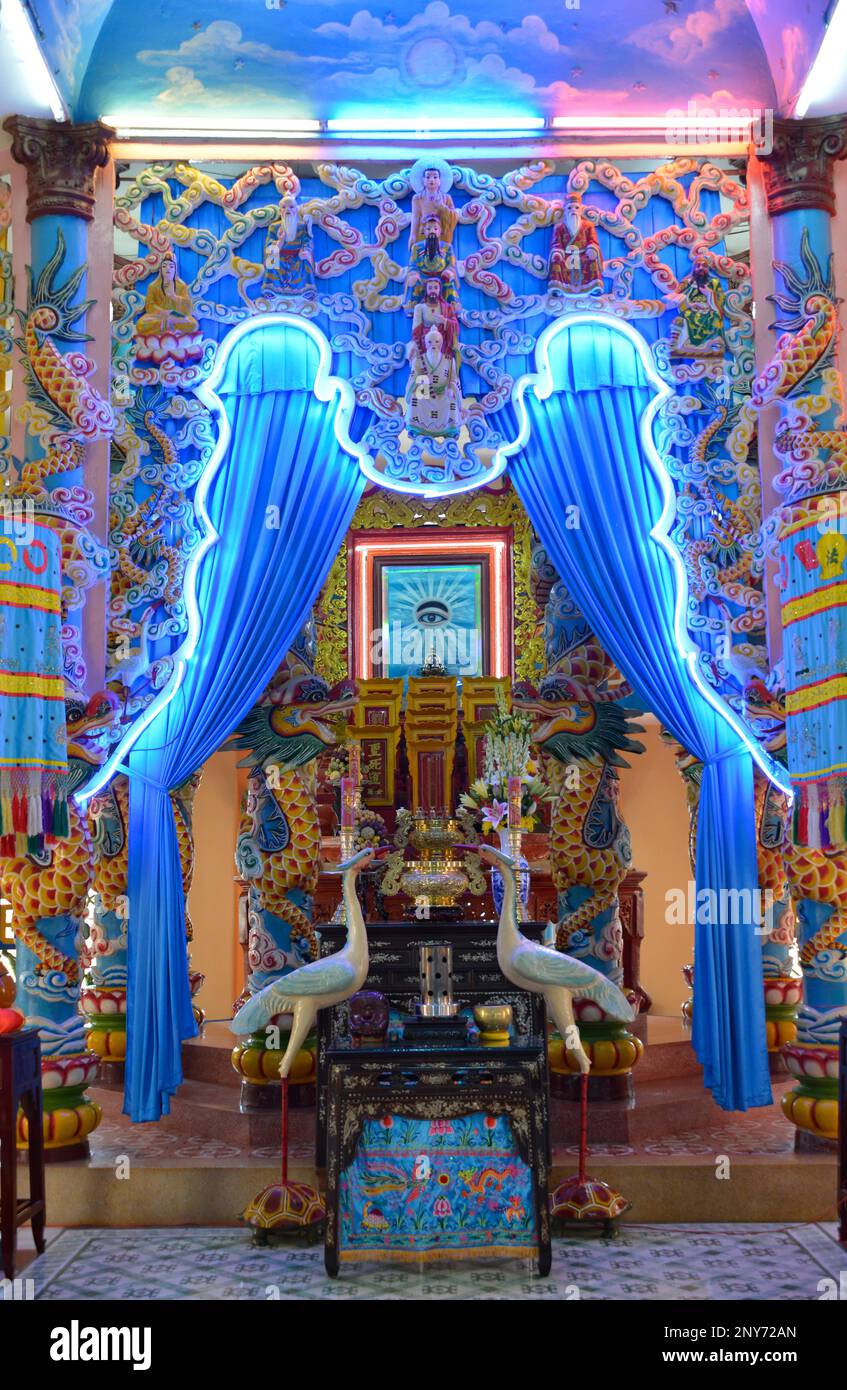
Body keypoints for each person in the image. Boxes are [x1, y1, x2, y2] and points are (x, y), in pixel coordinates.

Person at [134, 253, 202, 362]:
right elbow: (150, 306)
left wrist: (174, 297)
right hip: (159, 317)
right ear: (160, 269)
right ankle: (168, 326)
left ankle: (166, 327)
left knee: (193, 324)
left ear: (175, 269)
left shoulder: (181, 286)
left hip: (176, 317)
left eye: (171, 266)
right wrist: (164, 312)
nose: (168, 269)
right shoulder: (153, 286)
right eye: (164, 266)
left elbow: (187, 308)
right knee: (141, 325)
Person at [406, 323, 463, 439]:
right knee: (416, 399)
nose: (433, 345)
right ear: (426, 344)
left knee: (451, 401)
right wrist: (423, 380)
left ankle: (450, 430)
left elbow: (453, 379)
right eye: (430, 342)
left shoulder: (449, 360)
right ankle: (416, 428)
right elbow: (413, 377)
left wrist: (451, 388)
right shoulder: (418, 360)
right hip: (425, 391)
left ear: (441, 344)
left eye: (437, 342)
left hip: (443, 391)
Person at [668, 255, 726, 358]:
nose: (700, 268)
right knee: (679, 319)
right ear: (694, 268)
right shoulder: (688, 282)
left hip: (710, 309)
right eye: (698, 266)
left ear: (707, 269)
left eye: (704, 266)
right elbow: (675, 295)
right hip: (691, 310)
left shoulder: (714, 282)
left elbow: (720, 301)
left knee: (716, 319)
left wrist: (709, 294)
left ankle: (715, 347)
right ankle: (675, 347)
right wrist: (690, 302)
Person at [548, 191, 603, 294]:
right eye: (570, 208)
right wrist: (557, 252)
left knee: (592, 259)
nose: (573, 210)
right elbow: (556, 243)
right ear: (565, 210)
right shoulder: (559, 227)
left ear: (580, 210)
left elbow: (593, 240)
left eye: (576, 208)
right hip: (566, 255)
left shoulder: (588, 225)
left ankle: (593, 289)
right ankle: (559, 289)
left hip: (583, 254)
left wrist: (592, 249)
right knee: (557, 260)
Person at [263, 193, 315, 298]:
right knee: (272, 259)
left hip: (297, 257)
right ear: (280, 211)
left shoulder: (301, 226)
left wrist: (305, 250)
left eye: (291, 207)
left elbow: (307, 241)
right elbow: (269, 244)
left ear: (296, 210)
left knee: (305, 262)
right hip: (279, 255)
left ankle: (305, 290)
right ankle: (272, 290)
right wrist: (280, 241)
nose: (288, 210)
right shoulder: (274, 227)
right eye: (284, 207)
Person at [407, 214, 459, 310]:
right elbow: (412, 264)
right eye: (428, 229)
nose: (432, 231)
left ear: (440, 231)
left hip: (441, 276)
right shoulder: (416, 247)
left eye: (435, 229)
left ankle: (453, 308)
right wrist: (414, 274)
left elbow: (451, 264)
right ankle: (411, 308)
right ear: (423, 231)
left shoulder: (447, 247)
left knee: (449, 284)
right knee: (414, 283)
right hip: (423, 276)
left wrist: (448, 272)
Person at [409, 276, 459, 365]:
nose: (433, 290)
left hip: (443, 345)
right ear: (426, 290)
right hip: (425, 344)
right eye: (430, 288)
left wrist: (445, 321)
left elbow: (456, 326)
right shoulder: (420, 307)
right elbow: (416, 329)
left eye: (436, 288)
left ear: (440, 290)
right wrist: (414, 344)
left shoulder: (447, 307)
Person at [409, 162, 457, 247]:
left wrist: (442, 207)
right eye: (428, 177)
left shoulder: (446, 198)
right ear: (423, 180)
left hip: (440, 233)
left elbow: (454, 217)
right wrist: (412, 235)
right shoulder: (417, 198)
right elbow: (415, 218)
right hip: (424, 232)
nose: (432, 180)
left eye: (435, 177)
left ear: (439, 181)